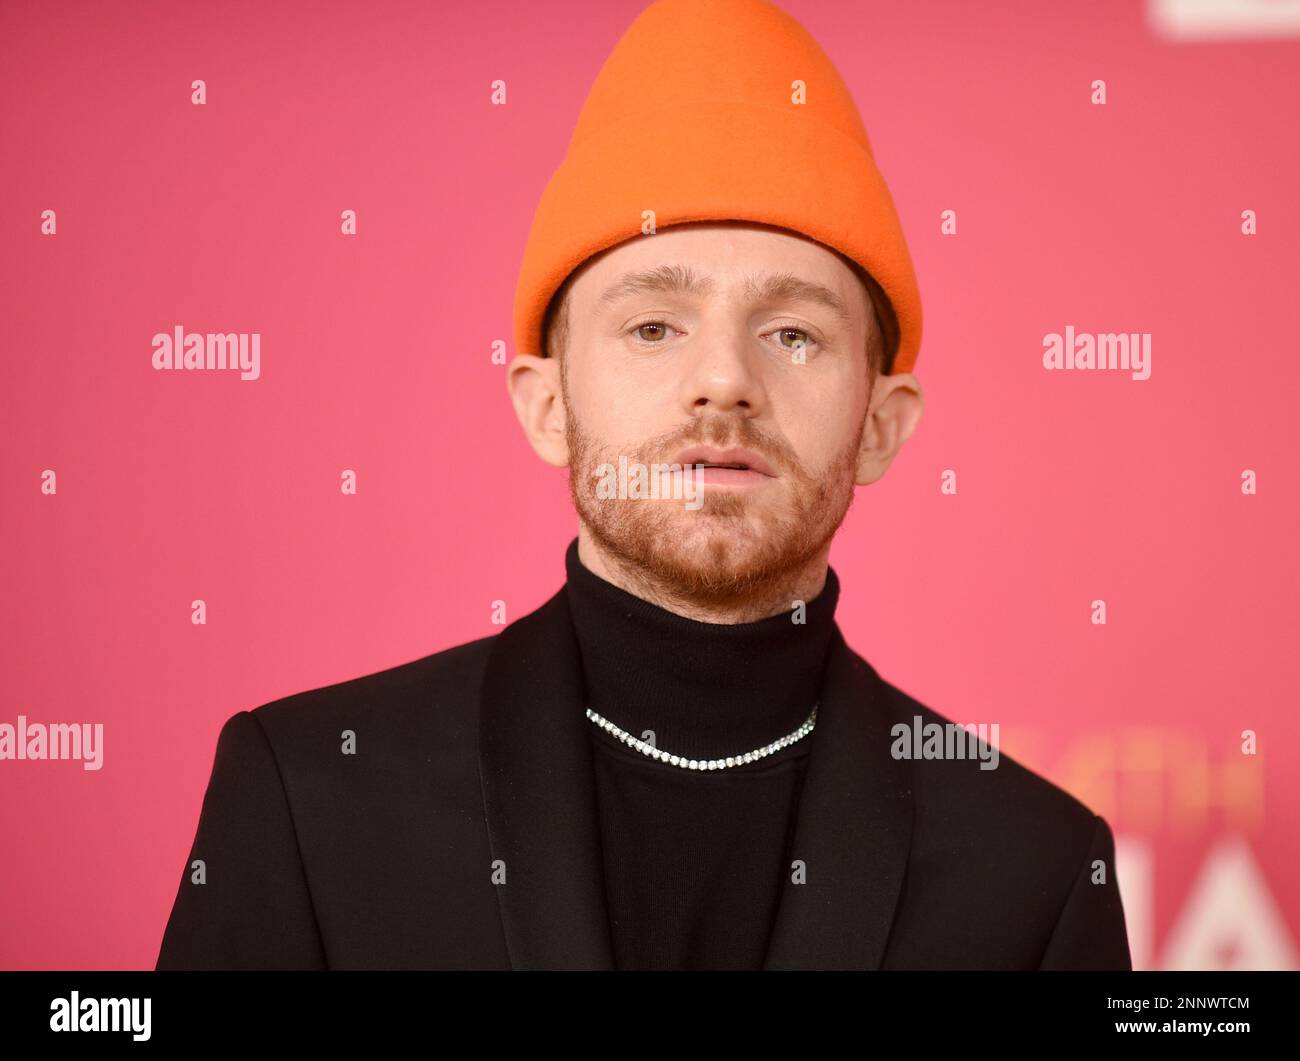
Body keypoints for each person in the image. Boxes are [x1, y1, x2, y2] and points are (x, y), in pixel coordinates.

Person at [156, 0, 1131, 971]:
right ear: (547, 404)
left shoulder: (1034, 871)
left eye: (793, 332)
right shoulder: (313, 795)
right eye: (653, 325)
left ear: (880, 423)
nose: (725, 381)